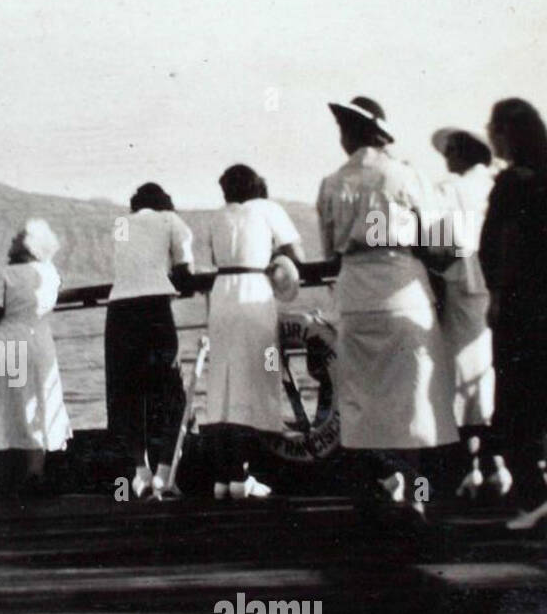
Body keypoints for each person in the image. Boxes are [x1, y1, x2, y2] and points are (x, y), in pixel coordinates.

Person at [317, 96, 458, 518]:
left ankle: (384, 479)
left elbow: (328, 251)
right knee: (411, 394)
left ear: (348, 134)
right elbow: (440, 240)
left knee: (361, 395)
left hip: (356, 295)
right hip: (402, 291)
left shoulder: (331, 182)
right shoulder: (405, 176)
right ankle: (415, 489)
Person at [480, 98, 547, 529]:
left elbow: (498, 246)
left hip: (518, 310)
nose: (490, 135)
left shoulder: (510, 185)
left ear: (507, 133)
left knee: (516, 399)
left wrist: (495, 294)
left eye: (493, 128)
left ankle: (532, 495)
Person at [204, 164, 305, 499]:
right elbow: (297, 254)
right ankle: (246, 473)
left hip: (221, 296)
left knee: (225, 383)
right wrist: (276, 257)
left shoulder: (218, 216)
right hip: (254, 293)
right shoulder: (267, 209)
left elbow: (216, 255)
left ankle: (224, 477)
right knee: (259, 374)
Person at [429, 127, 507, 498]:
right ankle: (497, 463)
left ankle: (470, 466)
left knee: (460, 369)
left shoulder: (451, 189)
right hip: (501, 280)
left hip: (463, 279)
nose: (446, 158)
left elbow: (439, 241)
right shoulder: (496, 184)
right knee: (492, 367)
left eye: (450, 151)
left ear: (461, 154)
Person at [106, 182, 196, 501]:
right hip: (154, 310)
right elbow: (186, 272)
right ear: (165, 203)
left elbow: (125, 266)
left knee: (128, 394)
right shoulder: (171, 221)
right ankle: (164, 473)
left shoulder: (121, 225)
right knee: (172, 392)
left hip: (118, 312)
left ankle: (140, 474)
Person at [0, 219, 71, 496]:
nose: (10, 243)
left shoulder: (4, 276)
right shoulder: (51, 274)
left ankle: (6, 479)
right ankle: (35, 472)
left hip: (6, 342)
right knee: (40, 403)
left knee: (5, 409)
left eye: (15, 239)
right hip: (40, 343)